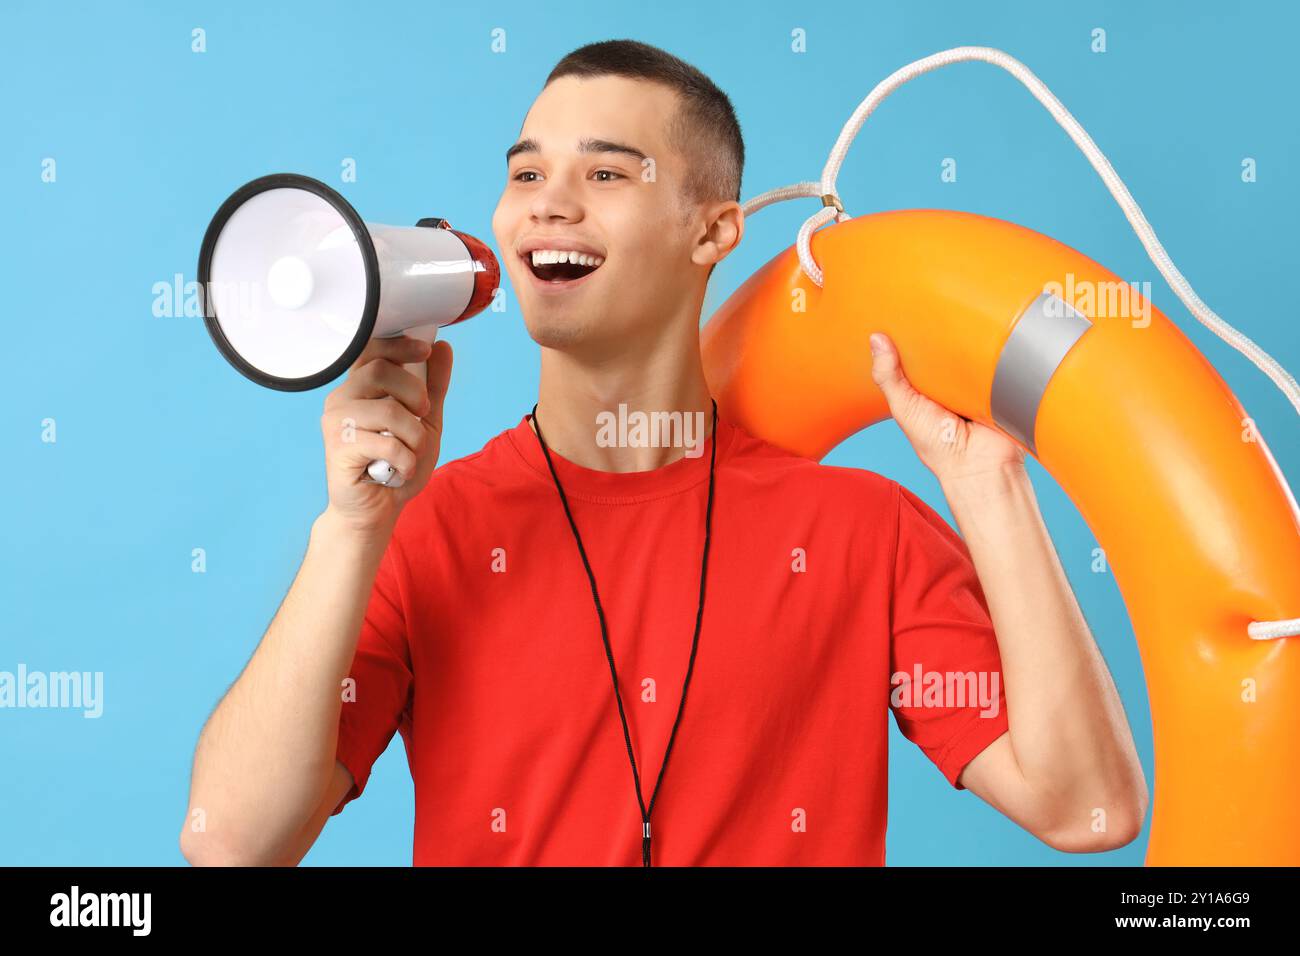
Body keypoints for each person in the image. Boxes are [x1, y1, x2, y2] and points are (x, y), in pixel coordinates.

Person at [180, 39, 1147, 866]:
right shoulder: (429, 535)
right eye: (525, 174)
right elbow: (230, 841)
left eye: (605, 174)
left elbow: (1085, 809)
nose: (548, 204)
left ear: (714, 230)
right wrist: (352, 531)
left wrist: (990, 484)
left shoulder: (864, 531)